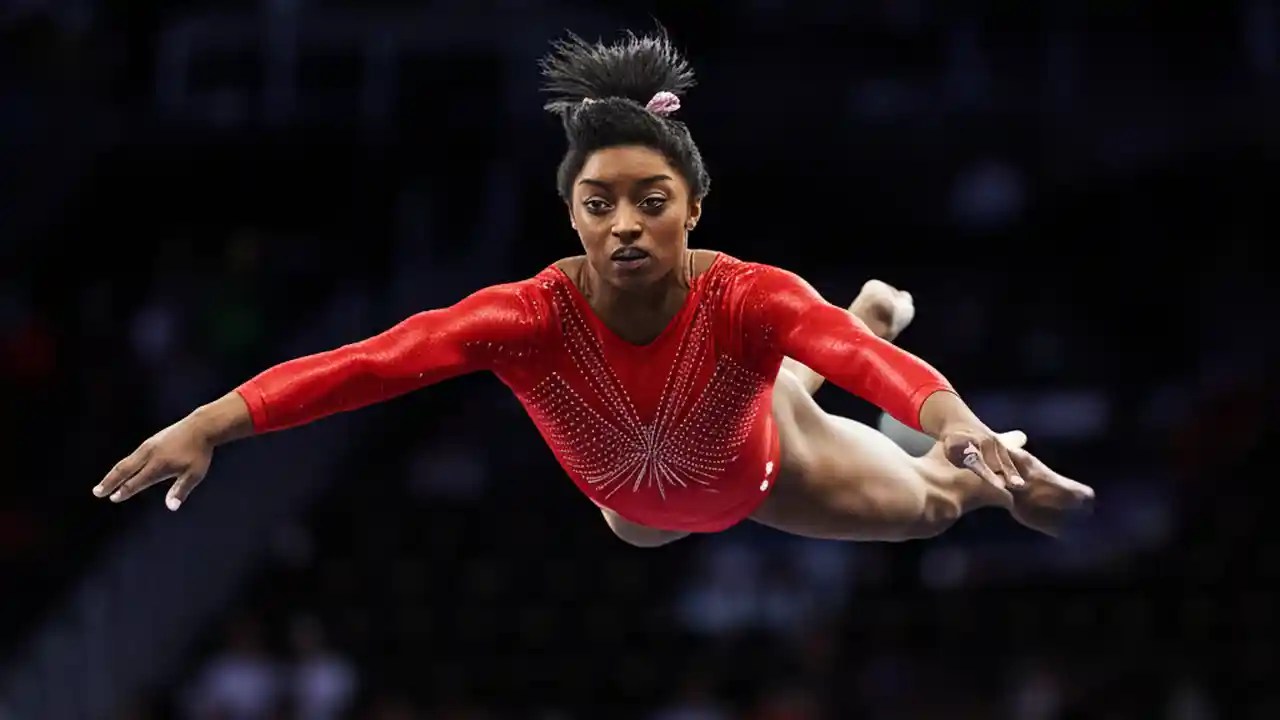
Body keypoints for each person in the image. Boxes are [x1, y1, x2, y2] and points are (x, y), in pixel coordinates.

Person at [94, 28, 1093, 549]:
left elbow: (861, 364)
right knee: (774, 384)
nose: (623, 226)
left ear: (691, 209)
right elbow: (369, 365)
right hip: (645, 508)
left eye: (649, 200)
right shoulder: (523, 322)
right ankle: (849, 324)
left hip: (765, 471)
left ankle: (995, 480)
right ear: (570, 213)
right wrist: (213, 421)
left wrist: (955, 423)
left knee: (920, 503)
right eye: (597, 202)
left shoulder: (745, 297)